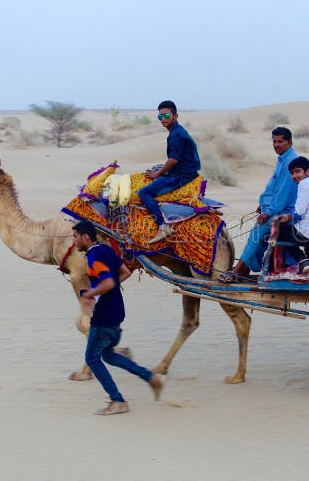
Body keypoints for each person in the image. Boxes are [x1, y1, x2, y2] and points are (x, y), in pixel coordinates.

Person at [72, 220, 163, 415]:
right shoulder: (105, 250)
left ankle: (117, 401)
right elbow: (125, 272)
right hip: (116, 311)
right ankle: (151, 378)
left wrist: (90, 294)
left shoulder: (94, 256)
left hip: (104, 315)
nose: (74, 241)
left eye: (75, 237)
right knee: (108, 355)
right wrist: (101, 290)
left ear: (86, 237)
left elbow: (109, 281)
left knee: (92, 358)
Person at [220, 127, 298, 281]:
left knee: (258, 234)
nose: (276, 145)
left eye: (280, 141)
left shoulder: (291, 162)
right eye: (274, 141)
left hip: (283, 212)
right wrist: (263, 206)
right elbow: (274, 188)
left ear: (289, 142)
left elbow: (283, 195)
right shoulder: (283, 159)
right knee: (256, 233)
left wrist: (268, 212)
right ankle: (243, 268)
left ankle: (237, 271)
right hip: (274, 208)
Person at [138, 100, 201, 244]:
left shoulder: (175, 134)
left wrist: (157, 174)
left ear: (175, 115)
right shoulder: (177, 131)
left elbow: (173, 160)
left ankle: (162, 226)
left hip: (181, 175)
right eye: (160, 116)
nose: (163, 119)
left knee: (143, 193)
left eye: (166, 115)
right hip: (184, 171)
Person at [271, 156, 309, 273]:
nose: (295, 176)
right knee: (308, 231)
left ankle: (301, 259)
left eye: (298, 171)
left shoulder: (304, 184)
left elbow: (299, 211)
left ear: (307, 171)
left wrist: (279, 219)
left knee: (282, 230)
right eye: (292, 173)